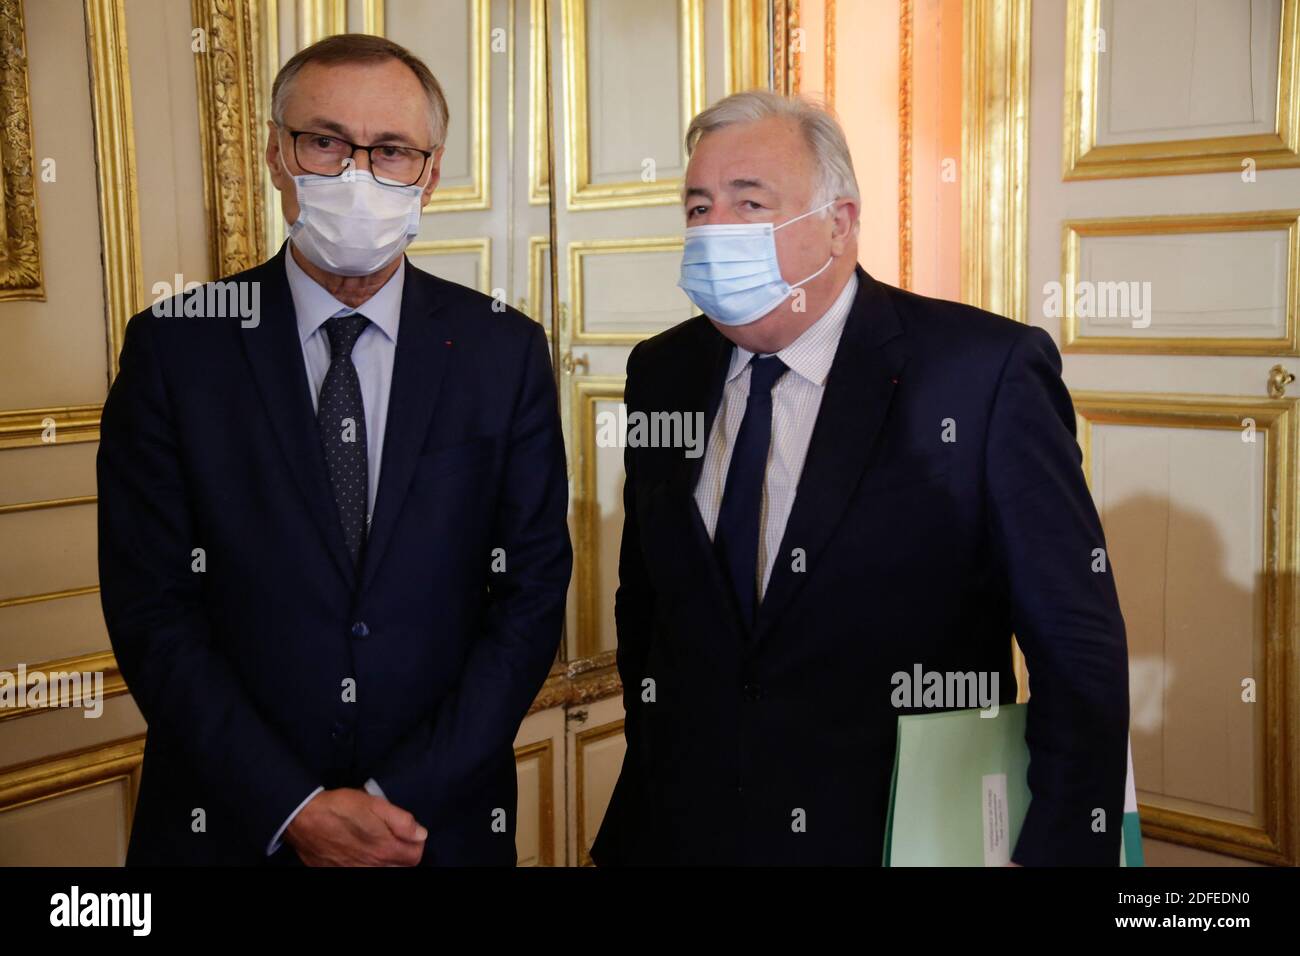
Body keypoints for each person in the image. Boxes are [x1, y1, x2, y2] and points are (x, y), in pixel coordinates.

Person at [592, 90, 1130, 866]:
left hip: (897, 835)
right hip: (682, 831)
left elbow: (1076, 644)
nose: (715, 231)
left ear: (839, 222)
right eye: (699, 206)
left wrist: (1059, 849)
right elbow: (646, 604)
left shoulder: (981, 373)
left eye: (750, 203)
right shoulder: (662, 370)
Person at [97, 34, 571, 866]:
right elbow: (151, 606)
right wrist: (292, 807)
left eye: (390, 150)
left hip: (435, 828)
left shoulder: (504, 350)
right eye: (325, 142)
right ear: (278, 156)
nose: (356, 174)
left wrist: (394, 799)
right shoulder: (176, 348)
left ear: (429, 170)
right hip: (231, 826)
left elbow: (529, 598)